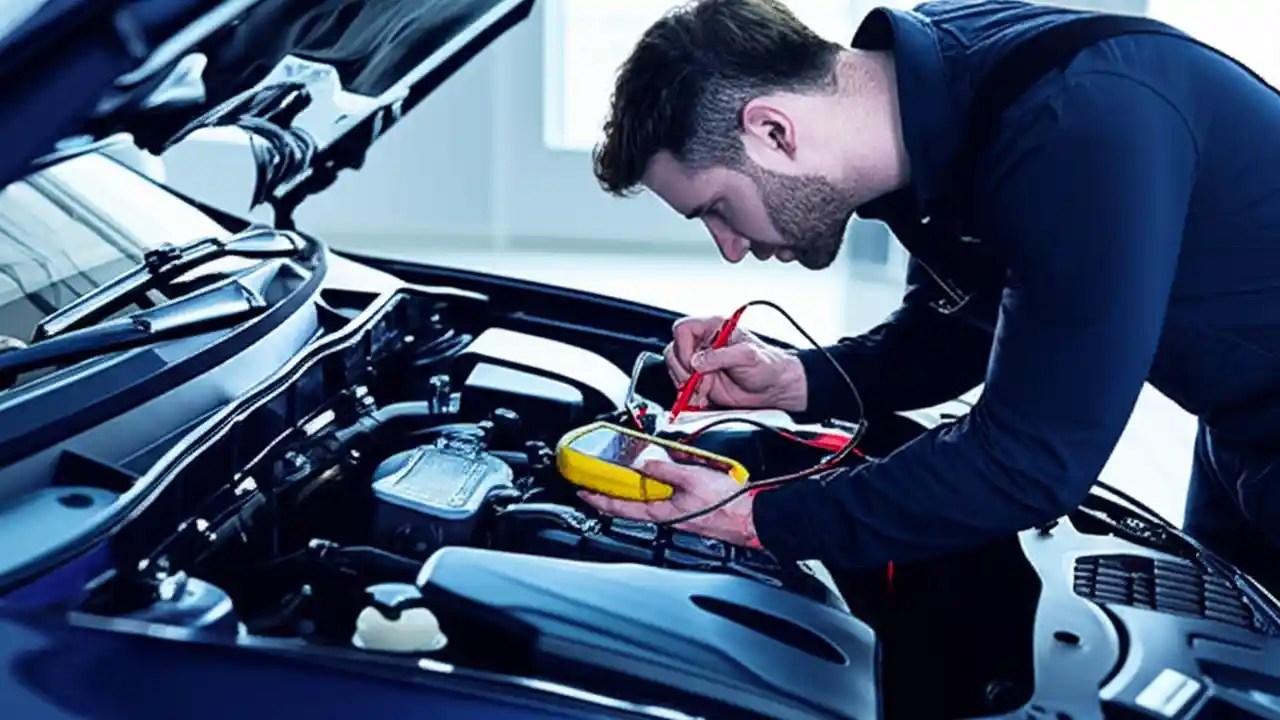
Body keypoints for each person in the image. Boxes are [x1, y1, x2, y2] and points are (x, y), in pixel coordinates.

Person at [577, 0, 1280, 593]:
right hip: (1238, 433)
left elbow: (1026, 462)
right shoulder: (931, 100)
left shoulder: (1076, 126)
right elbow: (961, 332)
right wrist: (796, 379)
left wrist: (753, 517)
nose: (729, 248)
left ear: (772, 130)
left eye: (717, 209)